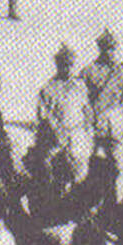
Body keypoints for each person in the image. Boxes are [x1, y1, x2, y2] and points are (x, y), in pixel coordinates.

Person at [36, 45, 94, 189]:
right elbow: (44, 114)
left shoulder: (80, 86)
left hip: (77, 135)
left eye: (70, 65)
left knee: (79, 173)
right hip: (56, 137)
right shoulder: (49, 87)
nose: (67, 69)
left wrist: (88, 129)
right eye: (64, 65)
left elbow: (87, 109)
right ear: (58, 66)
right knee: (52, 171)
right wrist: (57, 131)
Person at [81, 29, 123, 204]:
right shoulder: (89, 71)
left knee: (118, 167)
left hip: (115, 127)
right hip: (95, 127)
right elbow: (80, 99)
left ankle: (116, 203)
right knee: (93, 167)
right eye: (107, 49)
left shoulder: (120, 71)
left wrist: (121, 112)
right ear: (100, 49)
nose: (110, 52)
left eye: (113, 49)